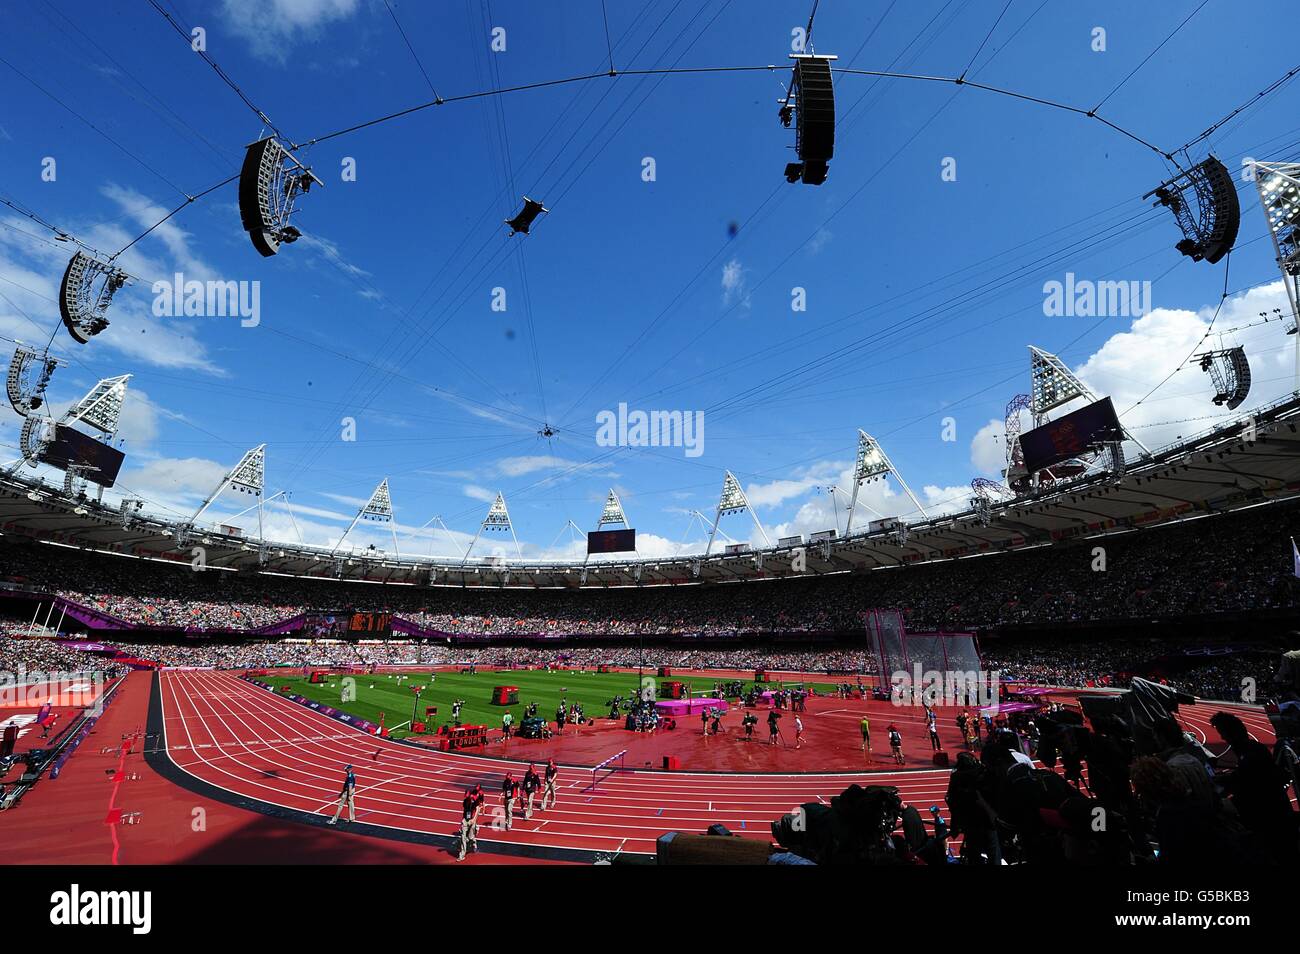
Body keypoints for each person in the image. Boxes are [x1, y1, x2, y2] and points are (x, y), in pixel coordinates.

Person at [456, 787, 478, 861]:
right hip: (465, 820)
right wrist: (462, 821)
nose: (466, 797)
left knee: (470, 838)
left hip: (472, 820)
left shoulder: (474, 801)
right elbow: (464, 811)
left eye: (467, 796)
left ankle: (474, 842)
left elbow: (477, 809)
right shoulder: (465, 801)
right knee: (463, 838)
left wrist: (474, 819)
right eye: (465, 796)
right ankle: (462, 855)